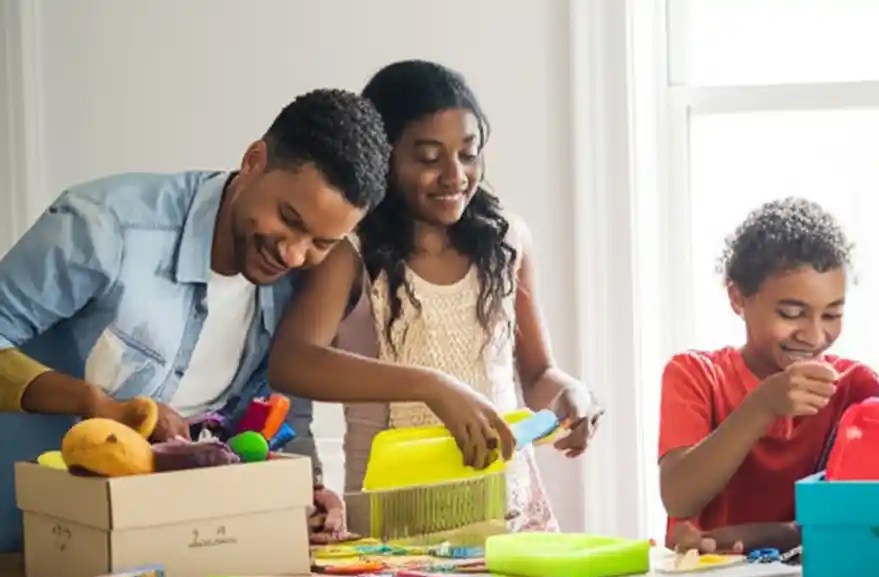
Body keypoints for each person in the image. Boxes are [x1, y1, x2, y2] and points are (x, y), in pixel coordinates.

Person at [0, 88, 391, 551]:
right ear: (253, 161)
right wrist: (94, 402)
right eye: (288, 219)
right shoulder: (107, 228)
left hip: (158, 551)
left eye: (321, 243)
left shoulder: (291, 286)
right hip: (20, 540)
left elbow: (270, 417)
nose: (293, 252)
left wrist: (302, 493)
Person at [269, 60, 601, 532]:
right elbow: (292, 362)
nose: (455, 175)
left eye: (468, 154)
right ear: (384, 159)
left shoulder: (509, 241)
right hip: (392, 526)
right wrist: (429, 384)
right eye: (428, 158)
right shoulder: (350, 255)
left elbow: (536, 373)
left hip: (508, 515)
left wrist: (572, 395)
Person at [659, 197, 879, 554]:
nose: (813, 336)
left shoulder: (855, 387)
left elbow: (852, 521)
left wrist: (756, 536)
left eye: (831, 315)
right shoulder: (695, 375)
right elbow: (679, 498)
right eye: (792, 313)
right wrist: (762, 405)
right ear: (738, 298)